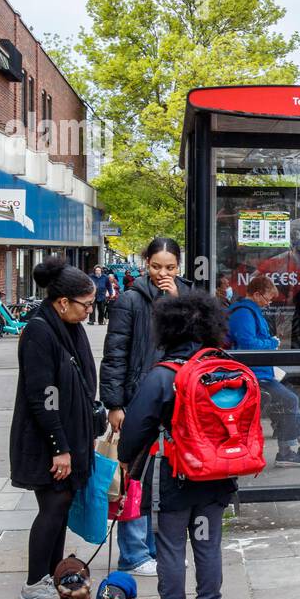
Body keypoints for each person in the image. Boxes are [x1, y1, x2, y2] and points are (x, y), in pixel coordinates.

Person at [118, 294, 238, 599]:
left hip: (173, 475)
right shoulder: (224, 366)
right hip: (216, 473)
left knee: (170, 549)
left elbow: (135, 429)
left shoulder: (163, 375)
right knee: (208, 546)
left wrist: (126, 460)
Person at [100, 236, 193, 575]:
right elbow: (115, 354)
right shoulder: (130, 300)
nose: (162, 273)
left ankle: (159, 548)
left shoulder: (186, 295)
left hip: (177, 398)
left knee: (166, 477)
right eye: (156, 267)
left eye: (169, 267)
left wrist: (176, 302)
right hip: (139, 396)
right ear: (146, 264)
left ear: (178, 266)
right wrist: (114, 403)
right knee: (134, 475)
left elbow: (198, 339)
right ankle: (134, 553)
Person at [10, 257, 100, 599]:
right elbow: (41, 395)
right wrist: (59, 447)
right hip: (45, 439)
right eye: (87, 305)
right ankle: (34, 584)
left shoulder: (66, 326)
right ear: (63, 301)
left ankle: (52, 574)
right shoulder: (39, 330)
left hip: (67, 436)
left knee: (60, 504)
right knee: (52, 505)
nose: (90, 312)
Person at [228, 273, 300, 467]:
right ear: (257, 294)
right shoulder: (243, 313)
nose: (269, 303)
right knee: (289, 400)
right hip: (253, 373)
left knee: (287, 399)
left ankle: (298, 447)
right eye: (268, 299)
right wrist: (271, 342)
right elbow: (248, 344)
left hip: (259, 371)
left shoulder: (248, 311)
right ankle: (289, 450)